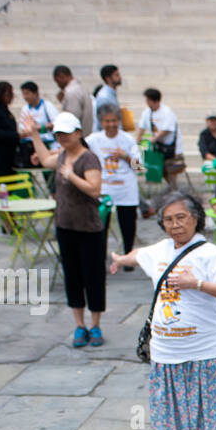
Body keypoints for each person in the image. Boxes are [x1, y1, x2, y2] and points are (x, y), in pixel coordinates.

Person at [110, 191, 216, 430]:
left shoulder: (209, 254)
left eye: (181, 217)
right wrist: (119, 259)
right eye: (168, 219)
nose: (175, 225)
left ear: (195, 218)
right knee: (181, 412)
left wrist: (195, 283)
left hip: (205, 350)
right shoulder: (159, 251)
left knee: (210, 410)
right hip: (167, 352)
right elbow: (138, 255)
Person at [22, 110, 107, 346]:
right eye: (59, 134)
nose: (62, 138)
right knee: (72, 276)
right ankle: (79, 324)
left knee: (93, 276)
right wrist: (35, 135)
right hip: (66, 226)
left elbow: (95, 189)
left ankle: (96, 324)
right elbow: (44, 160)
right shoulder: (61, 156)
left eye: (67, 134)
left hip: (89, 228)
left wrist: (71, 176)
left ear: (78, 133)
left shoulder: (88, 158)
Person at [89, 103, 141, 264]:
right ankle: (99, 256)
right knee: (101, 224)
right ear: (101, 122)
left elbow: (140, 167)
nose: (111, 124)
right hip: (104, 188)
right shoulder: (93, 139)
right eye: (107, 121)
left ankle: (127, 256)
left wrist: (125, 156)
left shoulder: (128, 140)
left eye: (114, 120)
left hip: (126, 187)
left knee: (127, 224)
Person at [138, 88, 180, 188]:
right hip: (157, 149)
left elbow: (167, 129)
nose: (147, 103)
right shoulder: (147, 112)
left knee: (170, 171)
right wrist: (137, 140)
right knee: (156, 168)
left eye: (148, 100)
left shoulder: (167, 112)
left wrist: (153, 139)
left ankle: (173, 189)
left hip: (170, 148)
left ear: (155, 100)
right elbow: (141, 127)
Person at [17, 81, 58, 169]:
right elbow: (23, 127)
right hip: (30, 144)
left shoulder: (47, 106)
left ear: (35, 93)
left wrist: (41, 127)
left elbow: (56, 123)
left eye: (27, 93)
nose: (25, 97)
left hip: (47, 143)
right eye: (24, 94)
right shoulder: (25, 109)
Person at [53, 65, 93, 136]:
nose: (58, 85)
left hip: (78, 138)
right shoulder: (81, 88)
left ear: (62, 76)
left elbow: (72, 119)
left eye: (57, 81)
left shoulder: (71, 92)